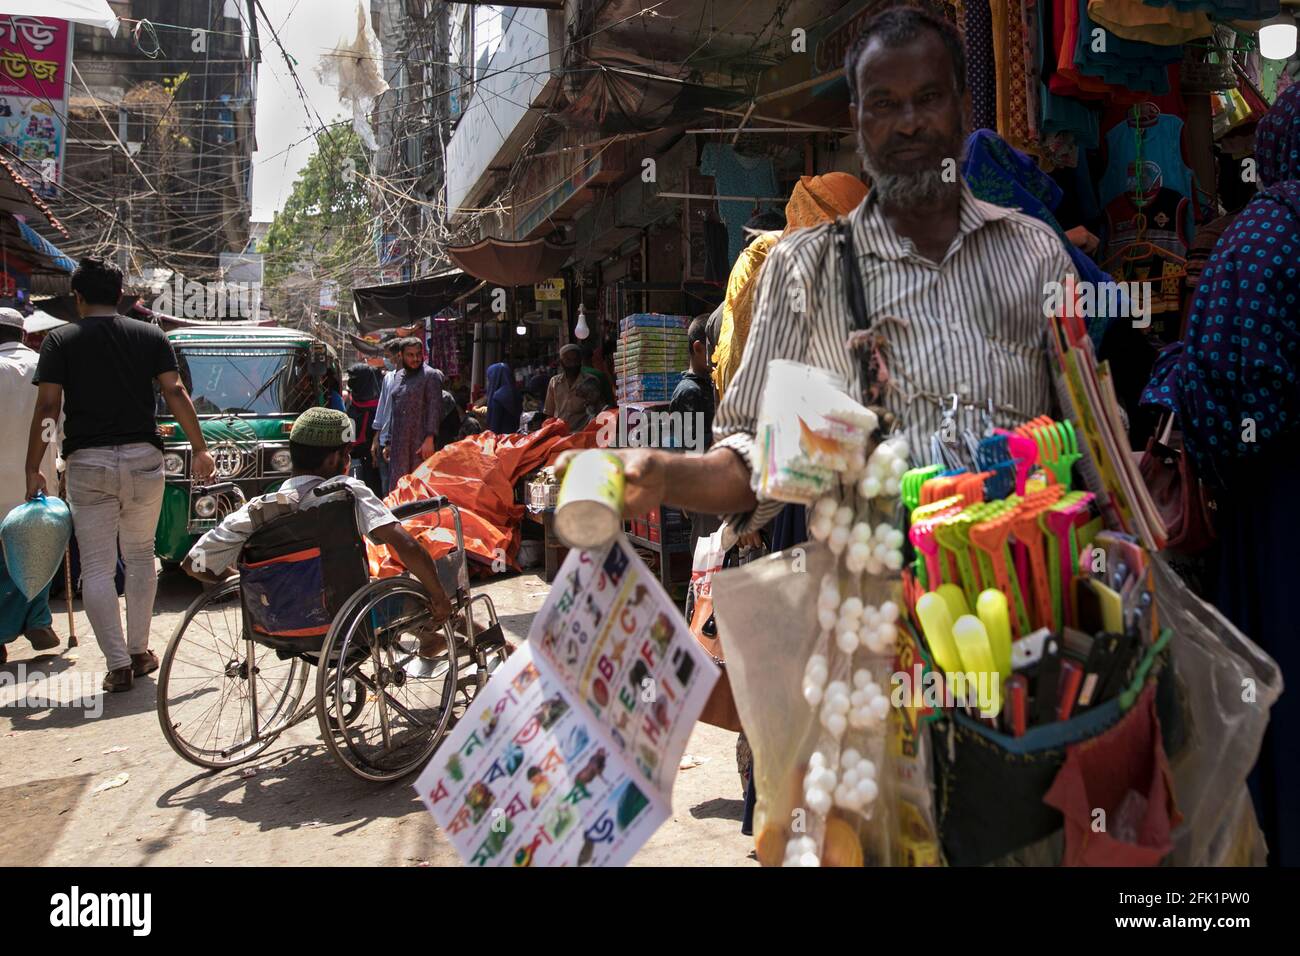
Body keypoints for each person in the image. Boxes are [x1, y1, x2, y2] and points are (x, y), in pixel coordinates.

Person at [558, 6, 1073, 834]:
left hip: (1017, 646)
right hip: (867, 653)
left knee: (1015, 840)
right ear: (857, 121)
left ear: (961, 111)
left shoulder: (1034, 255)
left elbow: (1079, 441)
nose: (909, 122)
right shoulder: (806, 272)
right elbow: (761, 466)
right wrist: (659, 474)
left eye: (929, 98)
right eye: (884, 101)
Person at [1141, 83, 1300, 867]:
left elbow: (1237, 384)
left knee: (1272, 683)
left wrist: (1186, 412)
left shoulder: (1266, 232)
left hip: (1276, 508)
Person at [25, 257, 216, 692]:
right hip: (143, 460)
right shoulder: (150, 335)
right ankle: (138, 650)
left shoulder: (60, 340)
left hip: (87, 464)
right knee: (140, 554)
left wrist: (33, 464)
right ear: (120, 296)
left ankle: (117, 665)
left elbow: (49, 408)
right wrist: (200, 448)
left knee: (95, 566)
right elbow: (175, 390)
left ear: (77, 298)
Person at [181, 408, 454, 648]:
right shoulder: (346, 493)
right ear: (334, 458)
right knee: (417, 591)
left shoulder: (257, 510)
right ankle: (453, 631)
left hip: (279, 623)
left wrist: (246, 583)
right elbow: (405, 545)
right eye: (347, 453)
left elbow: (194, 565)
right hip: (343, 621)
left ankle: (431, 639)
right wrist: (439, 596)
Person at [0, 309, 60, 664]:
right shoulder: (44, 366)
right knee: (36, 547)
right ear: (22, 334)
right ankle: (37, 619)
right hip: (36, 473)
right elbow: (55, 420)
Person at [377, 337, 443, 491]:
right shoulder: (399, 376)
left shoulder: (430, 376)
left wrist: (430, 438)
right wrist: (388, 442)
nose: (415, 359)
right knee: (398, 489)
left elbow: (435, 408)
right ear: (401, 355)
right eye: (410, 355)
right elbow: (395, 411)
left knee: (418, 490)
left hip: (419, 445)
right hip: (399, 445)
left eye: (418, 354)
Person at [371, 337, 405, 495]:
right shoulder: (388, 378)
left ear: (398, 356)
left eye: (388, 356)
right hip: (384, 441)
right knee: (386, 487)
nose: (387, 360)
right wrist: (376, 438)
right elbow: (382, 409)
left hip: (403, 442)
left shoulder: (414, 378)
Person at [345, 362, 383, 494]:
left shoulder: (378, 406)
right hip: (353, 456)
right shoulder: (354, 399)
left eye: (354, 379)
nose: (351, 382)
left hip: (372, 459)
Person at [544, 344, 591, 432]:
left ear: (580, 361)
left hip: (582, 433)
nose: (572, 364)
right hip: (559, 433)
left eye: (575, 360)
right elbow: (549, 413)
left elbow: (596, 411)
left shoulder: (589, 381)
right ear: (561, 362)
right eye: (568, 360)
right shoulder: (554, 382)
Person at [485, 361, 523, 434]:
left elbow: (494, 428)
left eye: (489, 378)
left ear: (495, 377)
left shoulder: (497, 397)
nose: (488, 382)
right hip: (514, 438)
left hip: (501, 441)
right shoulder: (517, 394)